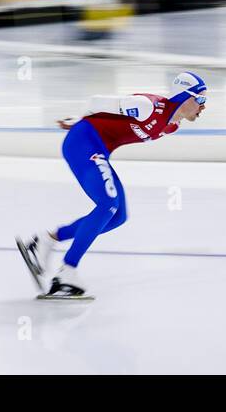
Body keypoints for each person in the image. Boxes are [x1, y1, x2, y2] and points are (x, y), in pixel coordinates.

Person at [16, 71, 209, 300]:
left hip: (97, 150)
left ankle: (45, 241)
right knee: (108, 204)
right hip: (83, 143)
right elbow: (99, 102)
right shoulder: (148, 106)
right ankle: (67, 272)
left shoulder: (171, 126)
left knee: (118, 215)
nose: (203, 107)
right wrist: (79, 120)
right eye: (201, 100)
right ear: (186, 97)